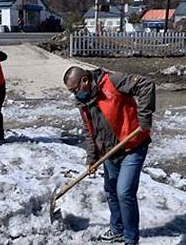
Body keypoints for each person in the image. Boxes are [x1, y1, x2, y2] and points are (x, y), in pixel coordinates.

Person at [63, 66, 155, 244]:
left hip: (132, 146)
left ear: (85, 80)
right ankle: (117, 230)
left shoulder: (112, 81)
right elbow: (90, 132)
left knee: (124, 192)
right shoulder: (84, 102)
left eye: (75, 89)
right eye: (71, 91)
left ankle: (130, 239)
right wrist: (92, 158)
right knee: (111, 191)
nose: (74, 94)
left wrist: (144, 117)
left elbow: (146, 85)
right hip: (110, 152)